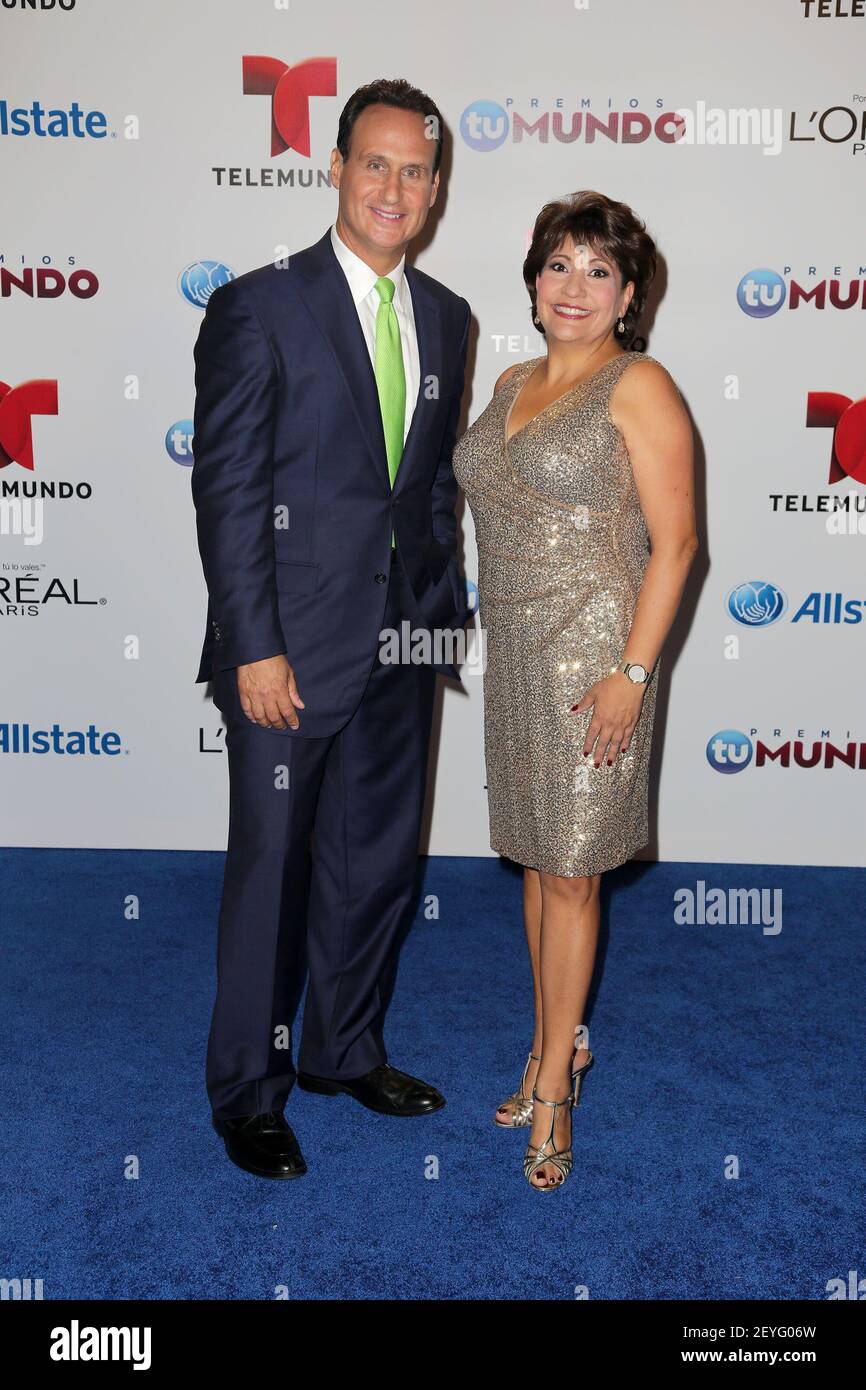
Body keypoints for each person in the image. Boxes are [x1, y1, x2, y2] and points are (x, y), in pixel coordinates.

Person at [191, 78, 471, 1180]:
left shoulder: (445, 314)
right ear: (336, 168)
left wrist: (439, 621)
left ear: (435, 187)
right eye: (375, 162)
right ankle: (249, 1090)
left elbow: (429, 489)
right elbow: (226, 491)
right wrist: (251, 645)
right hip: (288, 651)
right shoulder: (261, 305)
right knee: (271, 877)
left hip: (404, 645)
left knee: (374, 870)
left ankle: (342, 1052)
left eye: (414, 169)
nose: (393, 186)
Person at [452, 191, 697, 1192]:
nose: (574, 285)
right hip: (514, 653)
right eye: (558, 264)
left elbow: (675, 543)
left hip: (597, 659)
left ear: (628, 294)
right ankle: (554, 1040)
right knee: (534, 861)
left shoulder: (637, 385)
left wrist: (630, 674)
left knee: (572, 874)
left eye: (598, 271)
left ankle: (553, 1082)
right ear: (533, 279)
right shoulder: (509, 379)